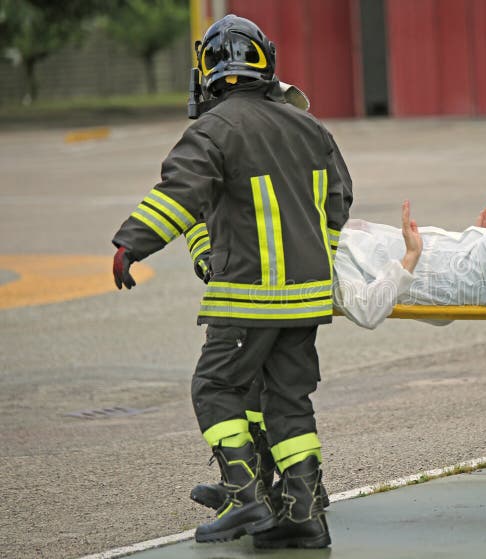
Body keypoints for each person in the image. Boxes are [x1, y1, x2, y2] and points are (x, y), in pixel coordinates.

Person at [112, 14, 352, 549]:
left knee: (215, 387)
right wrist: (318, 262)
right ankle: (304, 516)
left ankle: (245, 498)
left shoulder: (213, 129)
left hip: (247, 295)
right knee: (288, 401)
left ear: (209, 74)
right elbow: (337, 202)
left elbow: (180, 193)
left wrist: (132, 244)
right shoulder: (311, 128)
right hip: (305, 298)